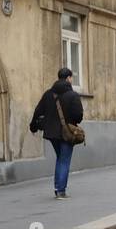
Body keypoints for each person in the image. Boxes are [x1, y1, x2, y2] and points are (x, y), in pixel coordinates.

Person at [31, 67, 84, 199]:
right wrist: (73, 120)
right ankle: (60, 191)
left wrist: (33, 126)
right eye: (71, 78)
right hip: (67, 133)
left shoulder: (48, 94)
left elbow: (38, 111)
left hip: (51, 133)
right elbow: (78, 116)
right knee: (64, 160)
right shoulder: (73, 95)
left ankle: (57, 188)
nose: (72, 80)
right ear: (68, 78)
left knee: (60, 158)